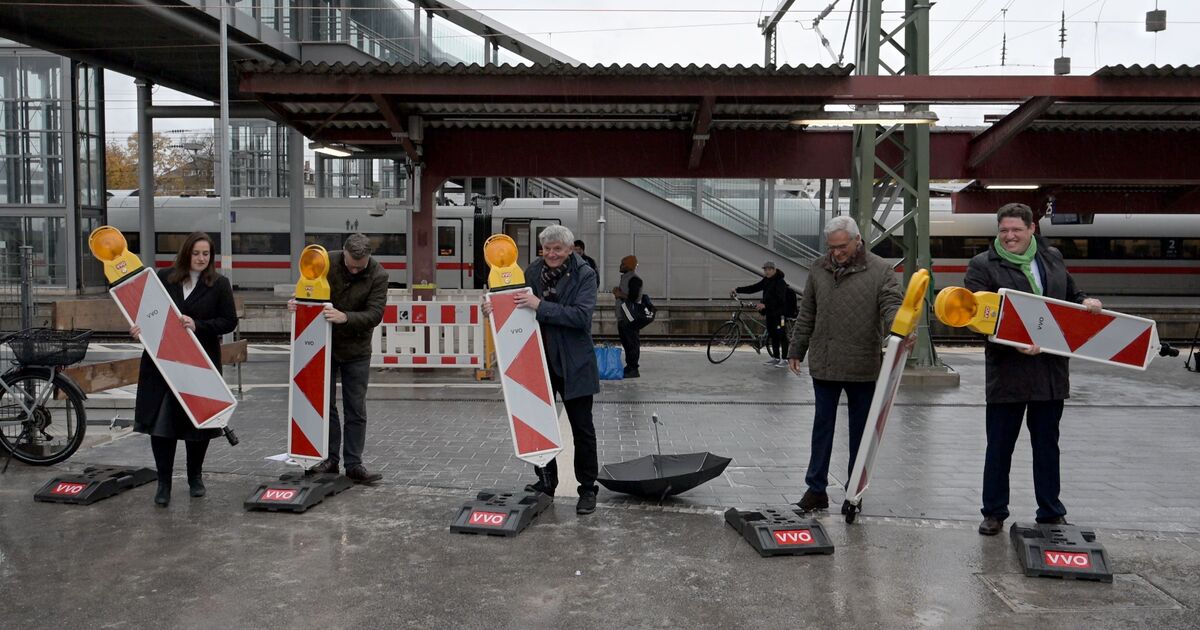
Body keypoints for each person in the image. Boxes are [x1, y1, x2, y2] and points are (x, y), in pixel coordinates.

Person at [966, 203, 1102, 536]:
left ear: (1032, 230)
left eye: (1016, 230)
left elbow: (1070, 294)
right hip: (1008, 371)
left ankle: (1051, 512)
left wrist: (1086, 302)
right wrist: (1012, 342)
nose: (1009, 236)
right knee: (1000, 447)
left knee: (1047, 447)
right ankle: (993, 512)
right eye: (1003, 230)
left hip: (1049, 371)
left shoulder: (1052, 257)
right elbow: (975, 316)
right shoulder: (983, 265)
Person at [483, 225, 601, 515]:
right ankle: (546, 483)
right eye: (547, 249)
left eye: (557, 249)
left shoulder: (585, 274)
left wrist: (540, 305)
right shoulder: (533, 271)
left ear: (570, 249)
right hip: (539, 360)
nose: (551, 254)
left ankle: (587, 489)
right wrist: (494, 308)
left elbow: (581, 317)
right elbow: (515, 303)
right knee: (538, 422)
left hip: (575, 363)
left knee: (582, 429)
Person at [788, 216, 902, 513]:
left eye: (842, 247)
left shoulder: (881, 270)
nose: (836, 253)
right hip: (825, 361)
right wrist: (796, 348)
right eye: (831, 247)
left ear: (857, 240)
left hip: (862, 364)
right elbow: (807, 311)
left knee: (860, 432)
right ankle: (816, 489)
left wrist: (899, 329)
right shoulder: (819, 268)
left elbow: (892, 304)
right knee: (821, 428)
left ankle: (854, 491)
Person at [130, 231, 237, 507]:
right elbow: (145, 312)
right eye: (196, 253)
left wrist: (198, 325)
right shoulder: (164, 278)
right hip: (162, 365)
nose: (201, 258)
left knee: (198, 425)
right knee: (161, 426)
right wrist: (138, 328)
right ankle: (163, 483)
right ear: (186, 253)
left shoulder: (220, 284)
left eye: (206, 254)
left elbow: (229, 321)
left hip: (199, 366)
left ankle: (195, 477)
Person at [289, 233, 389, 484]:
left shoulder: (379, 275)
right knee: (325, 406)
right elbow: (309, 292)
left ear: (369, 258)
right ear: (343, 253)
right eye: (351, 265)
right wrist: (297, 303)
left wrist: (345, 317)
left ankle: (354, 464)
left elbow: (375, 314)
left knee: (355, 408)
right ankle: (330, 459)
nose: (354, 270)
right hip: (325, 347)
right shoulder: (324, 261)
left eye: (360, 267)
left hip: (357, 351)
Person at [733, 261, 790, 367]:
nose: (767, 272)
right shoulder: (766, 280)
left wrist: (765, 305)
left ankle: (785, 359)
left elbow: (780, 299)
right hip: (770, 313)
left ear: (774, 270)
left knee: (781, 335)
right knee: (773, 334)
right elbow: (753, 288)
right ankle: (776, 358)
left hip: (780, 314)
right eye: (765, 269)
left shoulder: (780, 282)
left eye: (769, 269)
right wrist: (737, 290)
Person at [612, 254, 643, 378]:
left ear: (629, 266)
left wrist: (619, 294)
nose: (620, 266)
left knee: (632, 343)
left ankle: (633, 368)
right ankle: (630, 366)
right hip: (623, 316)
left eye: (623, 264)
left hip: (630, 317)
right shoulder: (626, 278)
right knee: (627, 343)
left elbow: (634, 297)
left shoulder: (634, 279)